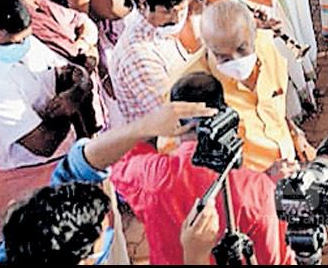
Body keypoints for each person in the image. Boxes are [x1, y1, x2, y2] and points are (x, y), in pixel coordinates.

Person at [109, 72, 294, 265]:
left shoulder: (150, 175)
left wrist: (149, 128)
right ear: (225, 117)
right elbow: (276, 259)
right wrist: (266, 184)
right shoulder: (257, 190)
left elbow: (113, 160)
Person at [0, 0, 86, 230]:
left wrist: (76, 92)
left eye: (26, 38)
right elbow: (43, 144)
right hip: (29, 181)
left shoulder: (22, 41)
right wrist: (70, 106)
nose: (24, 46)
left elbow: (72, 71)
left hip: (68, 161)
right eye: (15, 42)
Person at [171, 0, 316, 173]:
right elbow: (186, 166)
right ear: (207, 46)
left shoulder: (266, 49)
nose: (236, 61)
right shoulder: (188, 91)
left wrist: (295, 134)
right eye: (223, 57)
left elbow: (275, 108)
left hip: (290, 166)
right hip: (249, 186)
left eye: (241, 49)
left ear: (253, 34)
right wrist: (262, 180)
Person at [106, 0, 195, 127]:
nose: (176, 20)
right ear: (143, 3)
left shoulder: (159, 29)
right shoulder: (138, 57)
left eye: (181, 11)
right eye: (167, 12)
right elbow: (174, 117)